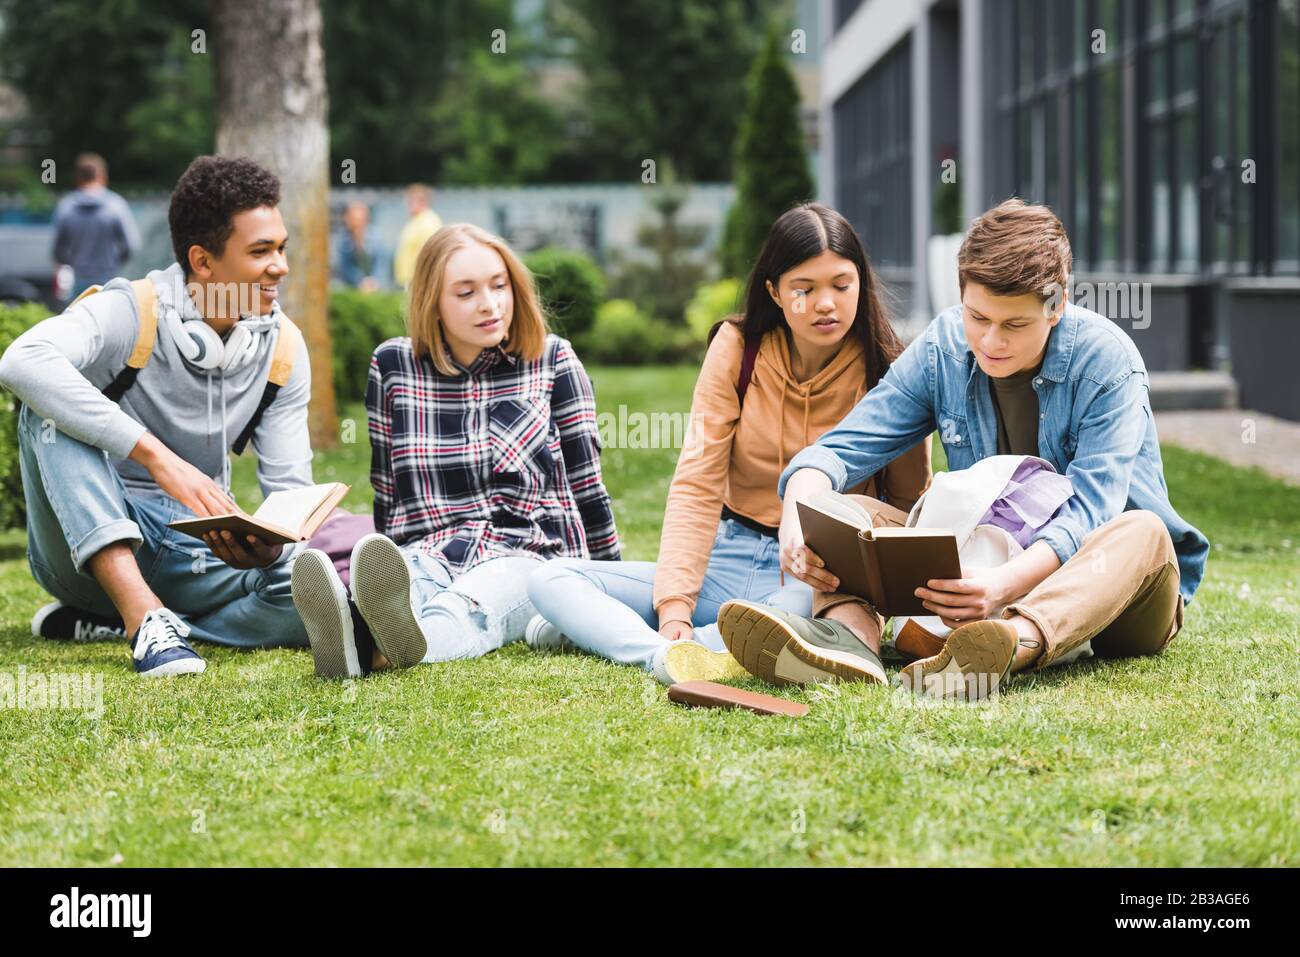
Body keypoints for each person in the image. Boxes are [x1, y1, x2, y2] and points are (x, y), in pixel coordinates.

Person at [717, 199, 1209, 701]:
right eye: (978, 317)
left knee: (1143, 530)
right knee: (835, 508)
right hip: (980, 571)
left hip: (1116, 591)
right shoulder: (944, 347)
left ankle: (1012, 643)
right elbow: (841, 449)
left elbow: (1087, 514)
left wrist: (1002, 587)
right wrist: (798, 515)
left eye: (1013, 325)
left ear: (1056, 305)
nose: (991, 341)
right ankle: (849, 642)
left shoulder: (1108, 362)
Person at [526, 203, 930, 685]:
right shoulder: (738, 348)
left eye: (842, 285)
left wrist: (865, 587)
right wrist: (674, 606)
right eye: (805, 289)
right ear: (774, 292)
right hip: (727, 553)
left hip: (811, 577)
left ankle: (615, 634)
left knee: (788, 626)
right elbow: (698, 481)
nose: (827, 304)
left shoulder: (889, 369)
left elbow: (906, 503)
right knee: (550, 580)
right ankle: (664, 651)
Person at [0, 155, 315, 676]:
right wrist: (155, 456)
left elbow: (291, 492)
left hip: (201, 552)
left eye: (281, 248)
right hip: (88, 554)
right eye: (261, 251)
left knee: (303, 594)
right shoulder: (129, 313)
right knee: (48, 410)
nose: (280, 266)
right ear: (203, 261)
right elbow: (20, 361)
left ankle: (162, 621)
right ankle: (143, 617)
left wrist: (268, 547)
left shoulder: (283, 347)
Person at [289, 223, 619, 678]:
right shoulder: (393, 367)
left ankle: (375, 649)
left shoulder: (553, 359)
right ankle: (357, 622)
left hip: (529, 556)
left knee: (467, 605)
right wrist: (386, 559)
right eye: (466, 293)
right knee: (410, 585)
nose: (490, 303)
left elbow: (588, 485)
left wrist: (609, 585)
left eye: (499, 286)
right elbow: (387, 486)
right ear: (434, 303)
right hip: (432, 548)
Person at [52, 153, 141, 298]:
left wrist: (74, 262)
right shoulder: (116, 205)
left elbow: (57, 251)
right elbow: (131, 245)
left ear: (78, 178)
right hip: (108, 281)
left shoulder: (66, 207)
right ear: (103, 176)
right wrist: (113, 262)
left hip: (78, 282)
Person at [332, 200, 389, 291]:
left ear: (366, 220)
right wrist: (360, 280)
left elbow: (381, 264)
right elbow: (344, 267)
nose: (356, 225)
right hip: (351, 286)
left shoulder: (376, 238)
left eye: (359, 221)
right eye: (353, 220)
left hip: (374, 286)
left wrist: (374, 281)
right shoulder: (342, 239)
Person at [393, 184, 442, 289]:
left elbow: (430, 255)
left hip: (419, 282)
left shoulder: (429, 223)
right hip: (410, 281)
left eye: (411, 200)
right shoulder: (416, 221)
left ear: (424, 201)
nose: (408, 204)